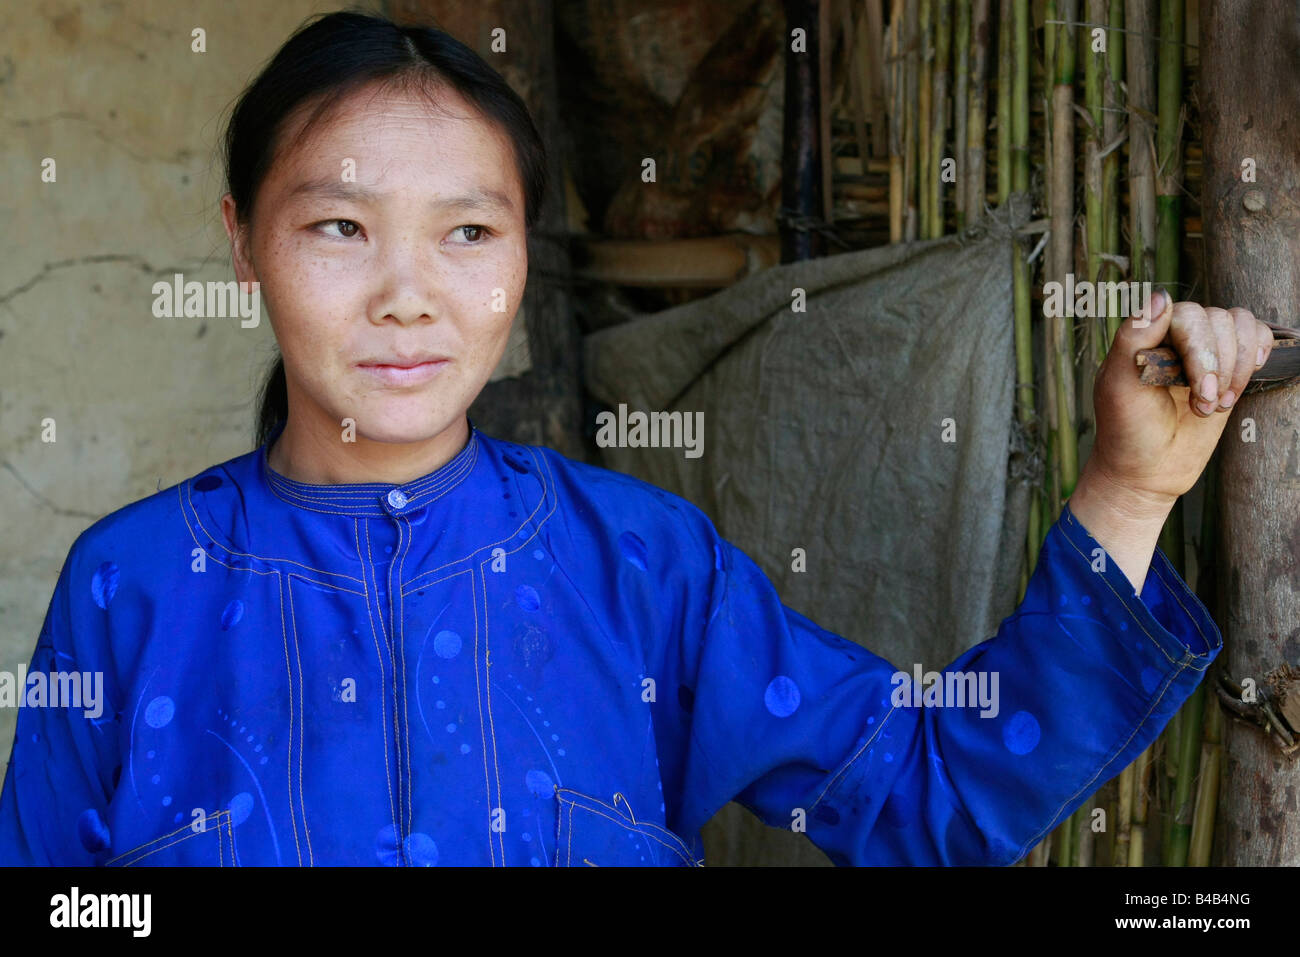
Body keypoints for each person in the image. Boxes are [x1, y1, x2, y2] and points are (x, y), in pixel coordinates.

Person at [0, 11, 1274, 867]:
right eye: (339, 228)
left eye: (467, 232)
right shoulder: (135, 588)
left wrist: (1126, 485)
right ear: (242, 242)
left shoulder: (642, 569)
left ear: (518, 259)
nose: (406, 294)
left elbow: (930, 789)